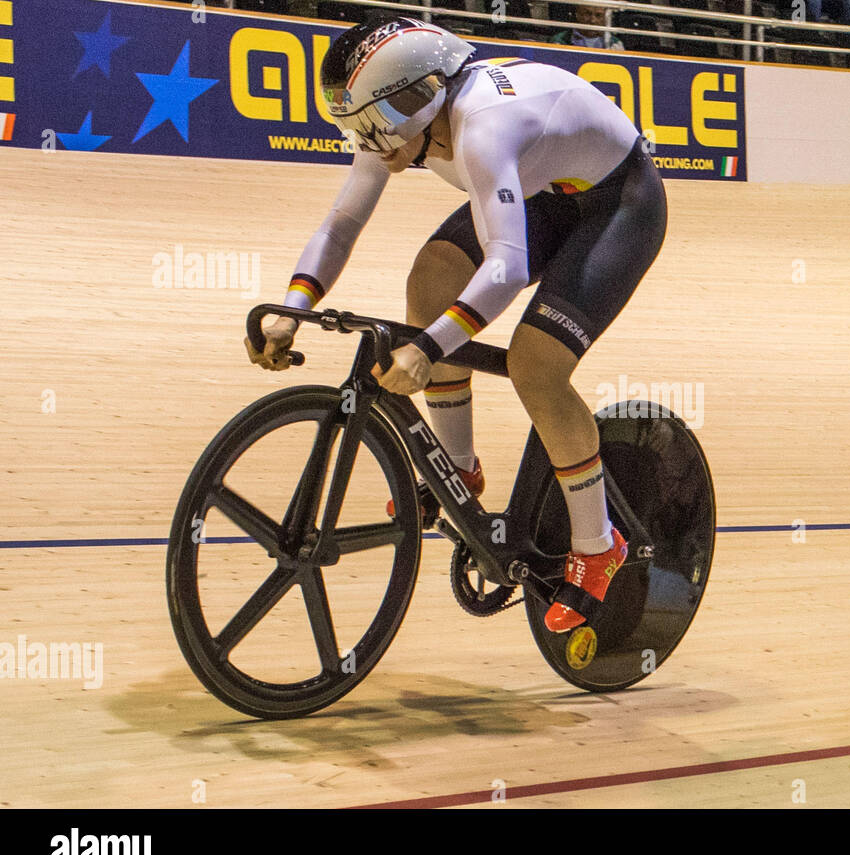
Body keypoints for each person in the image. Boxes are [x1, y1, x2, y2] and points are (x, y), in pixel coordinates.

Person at [246, 16, 667, 633]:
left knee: (536, 366)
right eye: (356, 131)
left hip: (617, 207)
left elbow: (506, 267)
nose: (371, 147)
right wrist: (293, 311)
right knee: (431, 279)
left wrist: (430, 346)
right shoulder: (395, 124)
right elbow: (340, 225)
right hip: (545, 189)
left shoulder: (481, 131)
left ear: (417, 102)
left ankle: (599, 545)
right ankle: (458, 468)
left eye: (377, 131)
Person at [551, 4, 625, 51]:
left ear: (605, 18)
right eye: (587, 14)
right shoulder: (560, 40)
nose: (593, 20)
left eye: (598, 15)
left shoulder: (615, 43)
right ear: (577, 14)